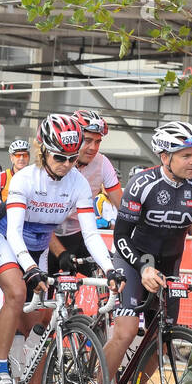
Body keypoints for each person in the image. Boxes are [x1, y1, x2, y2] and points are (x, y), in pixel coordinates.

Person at [0, 114, 116, 384]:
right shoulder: (24, 180)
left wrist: (110, 268)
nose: (67, 165)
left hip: (40, 246)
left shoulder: (76, 182)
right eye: (60, 157)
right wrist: (30, 269)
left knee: (44, 326)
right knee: (16, 292)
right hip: (6, 240)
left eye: (73, 159)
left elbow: (90, 233)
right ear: (42, 151)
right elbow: (13, 233)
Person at [95, 121, 192, 384]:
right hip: (133, 259)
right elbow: (121, 235)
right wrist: (142, 267)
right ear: (165, 156)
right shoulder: (142, 185)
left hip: (169, 265)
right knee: (126, 332)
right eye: (186, 155)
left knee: (161, 339)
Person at [48, 109, 123, 275]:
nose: (93, 148)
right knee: (36, 294)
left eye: (98, 142)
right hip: (45, 236)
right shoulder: (55, 162)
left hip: (78, 235)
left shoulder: (103, 163)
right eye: (88, 140)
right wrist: (60, 253)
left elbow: (124, 209)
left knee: (110, 274)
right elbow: (37, 222)